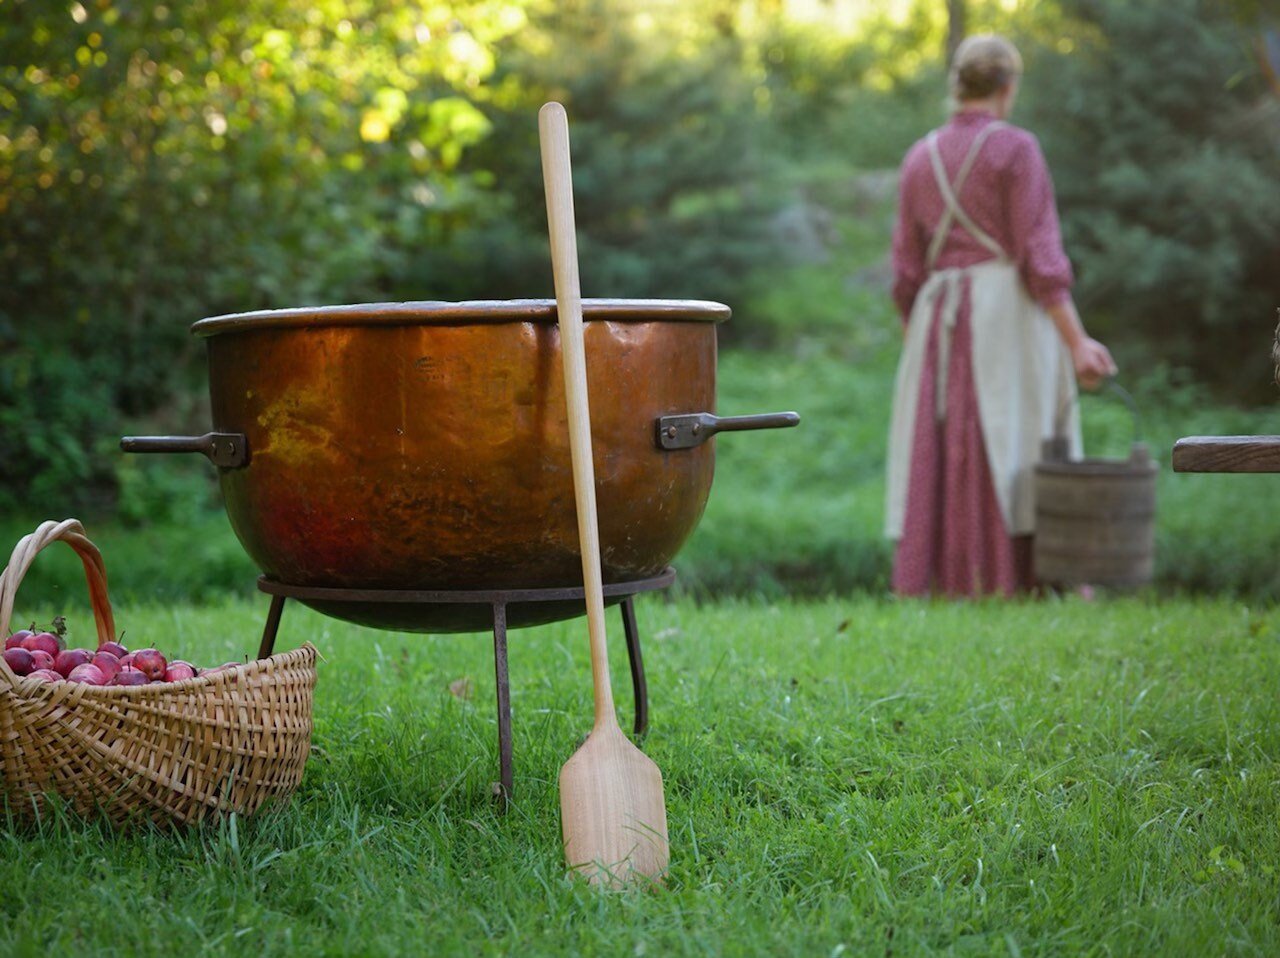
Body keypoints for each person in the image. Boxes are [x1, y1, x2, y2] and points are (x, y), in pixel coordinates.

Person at [884, 33, 1117, 598]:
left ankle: (948, 581)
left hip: (937, 316)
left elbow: (905, 275)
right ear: (1007, 88)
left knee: (946, 435)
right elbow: (1041, 259)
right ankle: (1022, 580)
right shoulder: (1016, 149)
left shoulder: (920, 156)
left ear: (957, 85)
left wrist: (925, 349)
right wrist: (1078, 342)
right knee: (1019, 433)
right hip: (1005, 314)